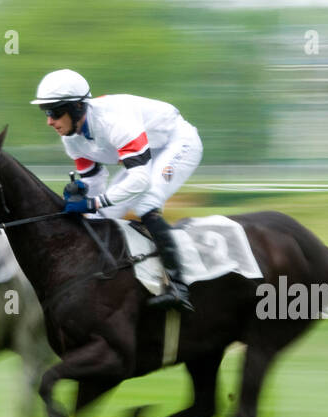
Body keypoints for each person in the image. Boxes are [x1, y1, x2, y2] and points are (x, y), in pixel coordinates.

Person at [32, 68, 202, 311]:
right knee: (101, 217)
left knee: (145, 203)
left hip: (177, 143)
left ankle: (178, 287)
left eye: (55, 112)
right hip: (145, 157)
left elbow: (140, 180)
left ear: (78, 107)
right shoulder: (71, 138)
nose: (49, 121)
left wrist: (93, 202)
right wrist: (83, 194)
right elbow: (94, 179)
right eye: (46, 112)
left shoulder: (114, 121)